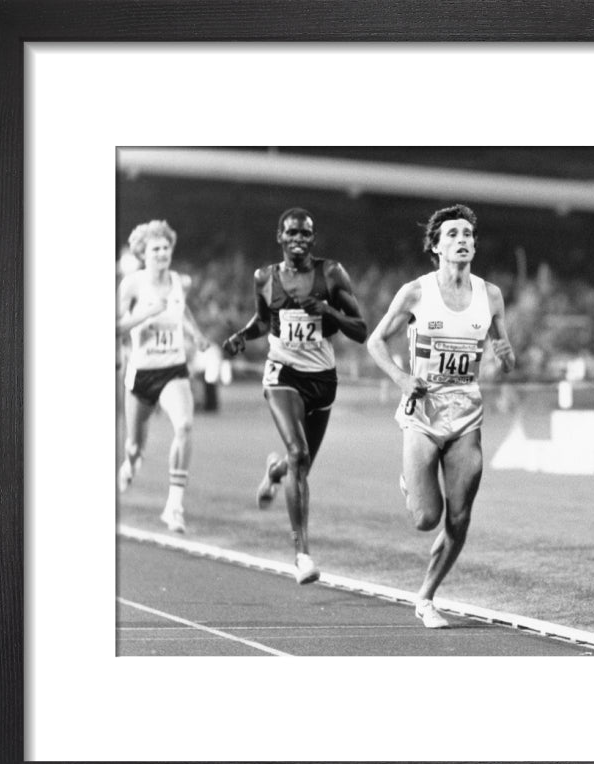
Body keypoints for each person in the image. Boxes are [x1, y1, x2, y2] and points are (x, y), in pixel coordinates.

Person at [366, 204, 515, 628]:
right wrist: (400, 378)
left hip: (467, 413)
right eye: (452, 234)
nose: (462, 240)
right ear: (436, 246)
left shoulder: (491, 296)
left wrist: (506, 355)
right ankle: (411, 483)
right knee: (425, 519)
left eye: (468, 233)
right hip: (424, 411)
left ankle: (427, 597)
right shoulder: (416, 292)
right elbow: (376, 342)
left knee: (460, 517)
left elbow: (507, 357)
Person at [222, 207, 367, 584]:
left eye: (306, 233)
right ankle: (302, 554)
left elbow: (361, 329)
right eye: (292, 233)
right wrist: (241, 336)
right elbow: (263, 323)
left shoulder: (331, 274)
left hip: (322, 379)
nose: (299, 239)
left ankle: (276, 471)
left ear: (312, 239)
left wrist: (327, 311)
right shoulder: (264, 278)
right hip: (282, 374)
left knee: (299, 464)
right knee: (300, 455)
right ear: (280, 237)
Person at [116, 220, 210, 533]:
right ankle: (130, 463)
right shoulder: (131, 285)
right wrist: (145, 313)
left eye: (166, 248)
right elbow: (115, 328)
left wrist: (195, 334)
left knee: (184, 426)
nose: (162, 253)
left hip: (173, 370)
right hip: (141, 375)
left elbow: (182, 310)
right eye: (156, 248)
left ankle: (174, 507)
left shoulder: (176, 281)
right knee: (134, 445)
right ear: (143, 252)